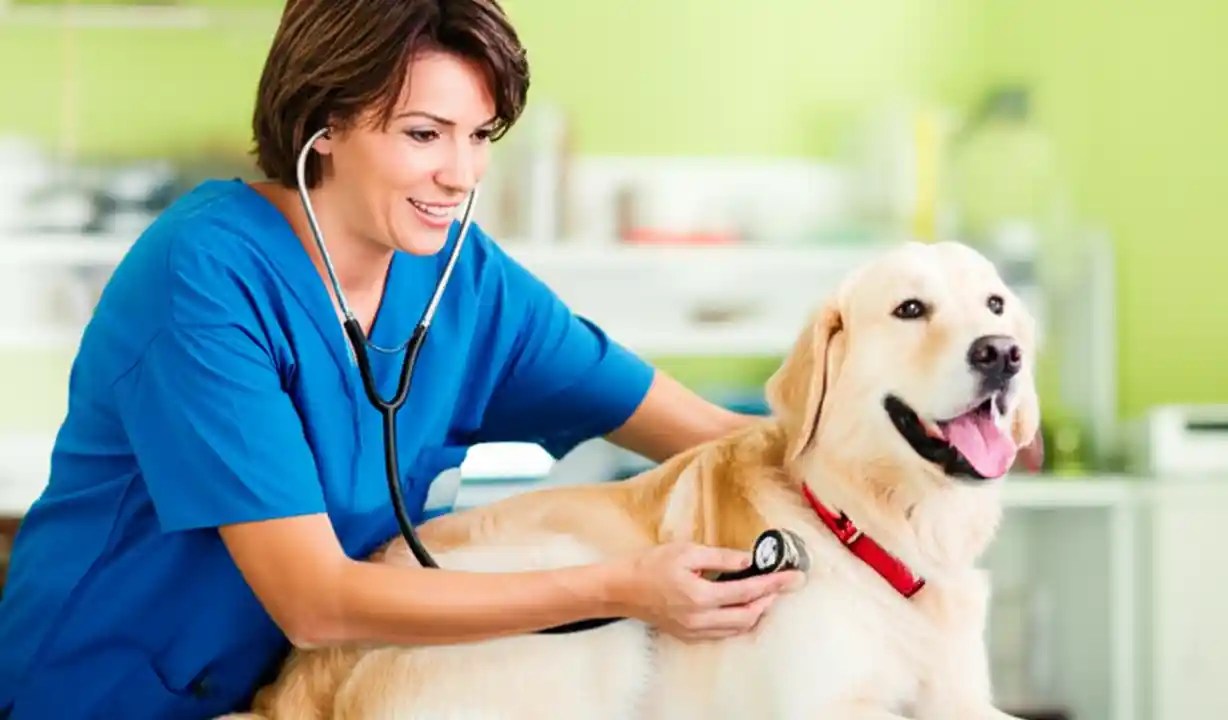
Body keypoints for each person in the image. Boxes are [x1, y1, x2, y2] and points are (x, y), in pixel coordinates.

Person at [0, 1, 801, 717]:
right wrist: (621, 592)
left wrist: (882, 454)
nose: (459, 175)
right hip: (92, 692)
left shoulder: (464, 283)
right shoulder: (203, 276)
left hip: (280, 697)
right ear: (326, 125)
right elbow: (315, 603)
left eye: (478, 136)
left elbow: (715, 437)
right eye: (424, 133)